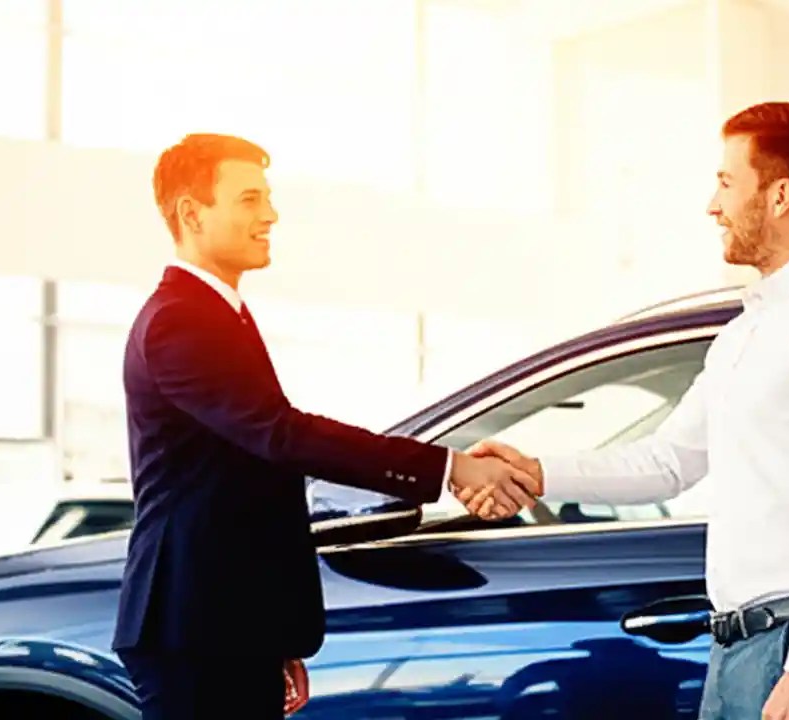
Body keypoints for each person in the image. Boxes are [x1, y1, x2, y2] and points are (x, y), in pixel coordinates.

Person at [461, 103, 789, 720]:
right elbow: (670, 460)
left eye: (726, 182)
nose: (711, 205)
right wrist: (536, 472)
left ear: (780, 196)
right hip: (740, 650)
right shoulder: (749, 330)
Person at [113, 133, 540, 719]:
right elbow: (283, 436)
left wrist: (272, 634)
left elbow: (250, 477)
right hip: (192, 626)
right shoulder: (179, 322)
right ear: (192, 213)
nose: (270, 214)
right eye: (248, 199)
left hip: (225, 624)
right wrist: (450, 466)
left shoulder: (215, 314)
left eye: (266, 197)